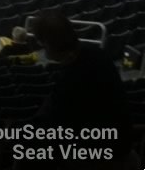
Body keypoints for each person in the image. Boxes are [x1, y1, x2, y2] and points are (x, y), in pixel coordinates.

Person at [31, 11, 131, 164]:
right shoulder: (98, 54)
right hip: (121, 147)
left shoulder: (70, 79)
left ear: (47, 45)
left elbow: (53, 119)